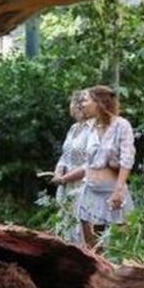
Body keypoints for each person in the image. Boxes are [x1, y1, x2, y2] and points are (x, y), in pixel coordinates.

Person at [53, 85, 135, 251]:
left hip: (112, 193)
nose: (81, 104)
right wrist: (62, 177)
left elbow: (127, 159)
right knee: (91, 250)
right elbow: (88, 164)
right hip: (89, 194)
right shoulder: (91, 129)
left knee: (118, 247)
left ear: (99, 102)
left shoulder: (121, 125)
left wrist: (118, 190)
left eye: (85, 100)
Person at [49, 90, 92, 244]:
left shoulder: (94, 129)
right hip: (66, 187)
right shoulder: (74, 128)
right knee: (65, 230)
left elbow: (91, 164)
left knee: (82, 231)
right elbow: (65, 155)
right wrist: (58, 171)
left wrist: (65, 178)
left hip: (83, 187)